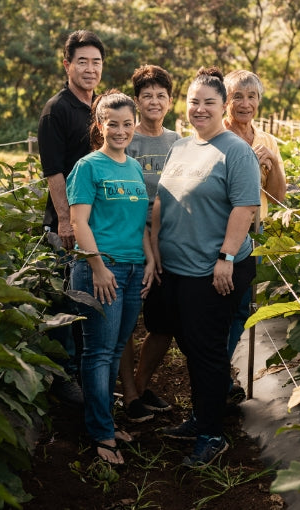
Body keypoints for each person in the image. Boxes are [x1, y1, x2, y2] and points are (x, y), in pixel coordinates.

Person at [152, 67, 261, 466]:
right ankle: (201, 416)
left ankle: (212, 435)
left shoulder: (235, 150)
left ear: (223, 106)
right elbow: (163, 200)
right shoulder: (180, 147)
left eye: (208, 103)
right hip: (176, 268)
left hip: (213, 270)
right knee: (188, 344)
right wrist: (156, 248)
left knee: (208, 353)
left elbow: (245, 207)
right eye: (194, 102)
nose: (199, 109)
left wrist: (226, 258)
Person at [67, 91, 154, 465]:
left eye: (126, 124)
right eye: (112, 124)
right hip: (102, 270)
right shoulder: (88, 167)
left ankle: (105, 421)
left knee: (116, 350)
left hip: (134, 269)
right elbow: (78, 222)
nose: (120, 131)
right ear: (99, 125)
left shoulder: (133, 168)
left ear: (134, 125)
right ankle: (101, 433)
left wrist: (150, 261)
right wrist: (98, 267)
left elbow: (141, 224)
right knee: (99, 353)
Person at [37, 29, 106, 405]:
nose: (90, 69)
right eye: (82, 61)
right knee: (67, 300)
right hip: (68, 226)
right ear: (67, 65)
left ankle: (87, 374)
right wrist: (65, 221)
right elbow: (54, 172)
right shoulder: (57, 110)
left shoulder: (98, 109)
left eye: (96, 62)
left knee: (90, 299)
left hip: (97, 223)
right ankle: (63, 381)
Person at [118, 65, 180, 423]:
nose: (154, 102)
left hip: (166, 240)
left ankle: (140, 385)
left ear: (169, 101)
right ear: (137, 101)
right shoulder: (128, 139)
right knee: (127, 321)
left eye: (161, 95)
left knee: (164, 322)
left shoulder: (178, 142)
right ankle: (128, 395)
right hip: (130, 239)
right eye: (147, 96)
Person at [222, 70, 287, 401]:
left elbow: (277, 197)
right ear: (226, 102)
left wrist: (272, 163)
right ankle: (218, 376)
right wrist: (248, 161)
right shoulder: (216, 135)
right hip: (223, 233)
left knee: (241, 309)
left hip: (256, 234)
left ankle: (220, 373)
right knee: (220, 306)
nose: (245, 104)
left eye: (252, 97)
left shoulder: (268, 141)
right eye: (237, 97)